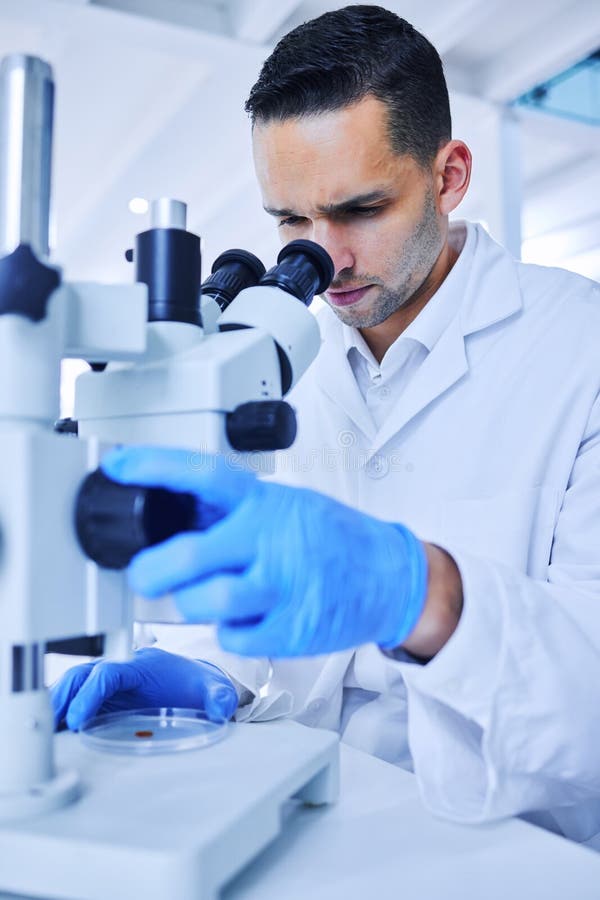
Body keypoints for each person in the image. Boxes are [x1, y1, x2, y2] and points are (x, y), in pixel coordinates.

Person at [52, 6, 600, 845]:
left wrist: (423, 593)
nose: (326, 258)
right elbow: (256, 617)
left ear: (449, 176)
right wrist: (202, 672)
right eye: (291, 222)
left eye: (360, 208)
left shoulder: (578, 345)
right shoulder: (266, 358)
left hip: (517, 849)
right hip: (310, 826)